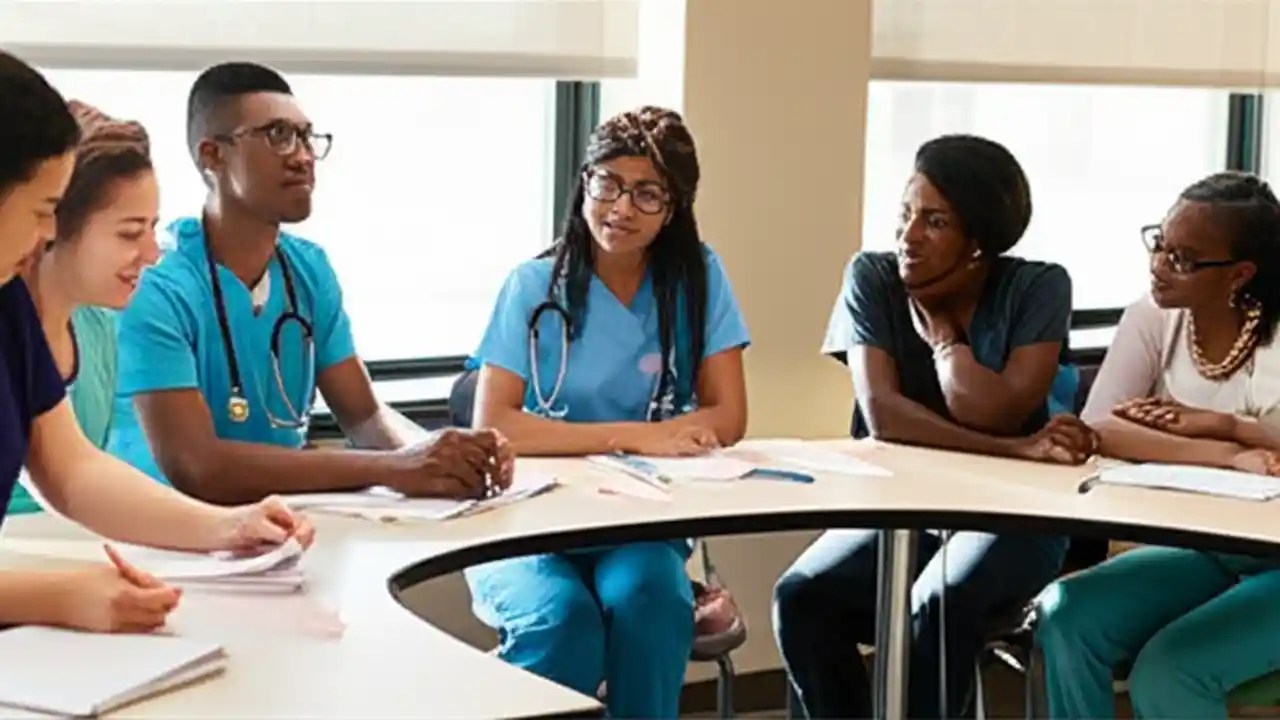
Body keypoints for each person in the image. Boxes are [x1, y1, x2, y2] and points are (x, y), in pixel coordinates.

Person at [772, 134, 1097, 719]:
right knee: (801, 598)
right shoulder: (872, 277)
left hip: (1016, 520)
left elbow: (990, 406)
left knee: (940, 599)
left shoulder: (1038, 287)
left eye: (935, 221)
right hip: (901, 515)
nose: (908, 235)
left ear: (979, 242)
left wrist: (947, 341)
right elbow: (885, 415)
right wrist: (1015, 449)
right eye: (905, 213)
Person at [0, 50, 313, 632]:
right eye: (44, 210)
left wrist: (228, 528)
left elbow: (71, 470)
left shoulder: (8, 311)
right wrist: (56, 596)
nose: (48, 234)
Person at [106, 61, 513, 504]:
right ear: (212, 156)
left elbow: (365, 419)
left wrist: (451, 457)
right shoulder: (156, 287)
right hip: (166, 536)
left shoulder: (308, 270)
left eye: (305, 137)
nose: (301, 156)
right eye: (277, 135)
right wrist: (398, 467)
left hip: (279, 524)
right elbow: (198, 467)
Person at [466, 106, 750, 718]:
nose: (621, 209)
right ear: (585, 182)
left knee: (652, 602)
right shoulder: (532, 286)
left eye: (647, 194)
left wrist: (629, 443)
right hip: (527, 523)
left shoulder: (698, 279)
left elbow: (729, 414)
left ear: (675, 207)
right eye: (608, 184)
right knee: (563, 624)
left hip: (636, 524)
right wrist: (638, 438)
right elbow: (495, 424)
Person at [1034, 171, 1280, 720]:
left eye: (1184, 258)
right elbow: (1101, 428)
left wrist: (1227, 427)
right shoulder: (1152, 317)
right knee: (1066, 612)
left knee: (1170, 671)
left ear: (1240, 274)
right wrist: (1231, 454)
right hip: (1209, 549)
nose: (1159, 264)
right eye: (1159, 243)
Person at [7, 100, 161, 516]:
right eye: (130, 234)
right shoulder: (13, 323)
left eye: (153, 229)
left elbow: (78, 472)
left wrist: (230, 527)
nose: (152, 254)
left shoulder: (99, 330)